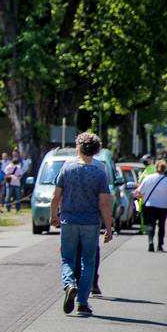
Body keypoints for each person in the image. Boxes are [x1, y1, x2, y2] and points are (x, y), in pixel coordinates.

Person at [49, 132, 114, 316]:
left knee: (67, 259)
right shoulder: (100, 173)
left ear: (78, 147)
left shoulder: (67, 168)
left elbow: (55, 197)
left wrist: (53, 216)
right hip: (91, 223)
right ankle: (82, 302)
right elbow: (104, 203)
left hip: (69, 220)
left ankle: (69, 284)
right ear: (96, 150)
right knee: (88, 262)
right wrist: (108, 228)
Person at [135, 160, 167, 252]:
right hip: (163, 207)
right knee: (161, 225)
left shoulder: (148, 178)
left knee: (151, 224)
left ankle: (150, 241)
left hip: (150, 205)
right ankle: (160, 245)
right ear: (164, 169)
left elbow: (139, 192)